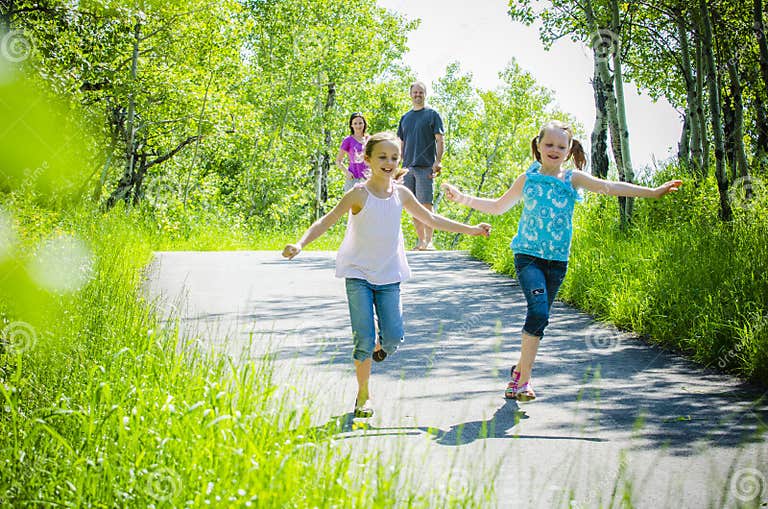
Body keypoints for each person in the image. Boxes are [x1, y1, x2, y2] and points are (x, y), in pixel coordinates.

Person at [441, 120, 682, 402]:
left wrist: (652, 192)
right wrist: (462, 198)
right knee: (539, 313)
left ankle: (518, 372)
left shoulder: (572, 179)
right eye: (549, 144)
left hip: (557, 262)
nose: (554, 150)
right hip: (528, 256)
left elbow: (610, 186)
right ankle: (525, 382)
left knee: (540, 317)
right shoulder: (527, 179)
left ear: (568, 151)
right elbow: (497, 206)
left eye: (561, 146)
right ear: (538, 146)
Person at [283, 132, 491, 418]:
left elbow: (431, 219)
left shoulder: (401, 194)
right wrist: (300, 244)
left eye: (394, 157)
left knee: (393, 338)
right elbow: (326, 221)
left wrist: (472, 230)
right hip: (358, 274)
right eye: (382, 157)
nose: (389, 162)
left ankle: (380, 346)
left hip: (389, 275)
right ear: (367, 159)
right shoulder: (358, 194)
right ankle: (363, 396)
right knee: (363, 338)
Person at [397, 81, 445, 251]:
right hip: (407, 168)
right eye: (415, 92)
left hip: (425, 167)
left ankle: (429, 241)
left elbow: (440, 140)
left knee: (426, 204)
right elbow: (401, 143)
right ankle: (421, 241)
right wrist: (397, 165)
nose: (417, 95)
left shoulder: (432, 115)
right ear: (410, 94)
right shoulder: (405, 118)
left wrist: (438, 161)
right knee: (412, 206)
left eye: (420, 92)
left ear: (425, 94)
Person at [336, 112, 370, 192]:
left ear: (364, 124)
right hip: (353, 178)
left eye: (360, 123)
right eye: (355, 123)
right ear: (351, 125)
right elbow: (338, 161)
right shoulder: (348, 140)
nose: (358, 126)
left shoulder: (369, 139)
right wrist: (347, 172)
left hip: (368, 178)